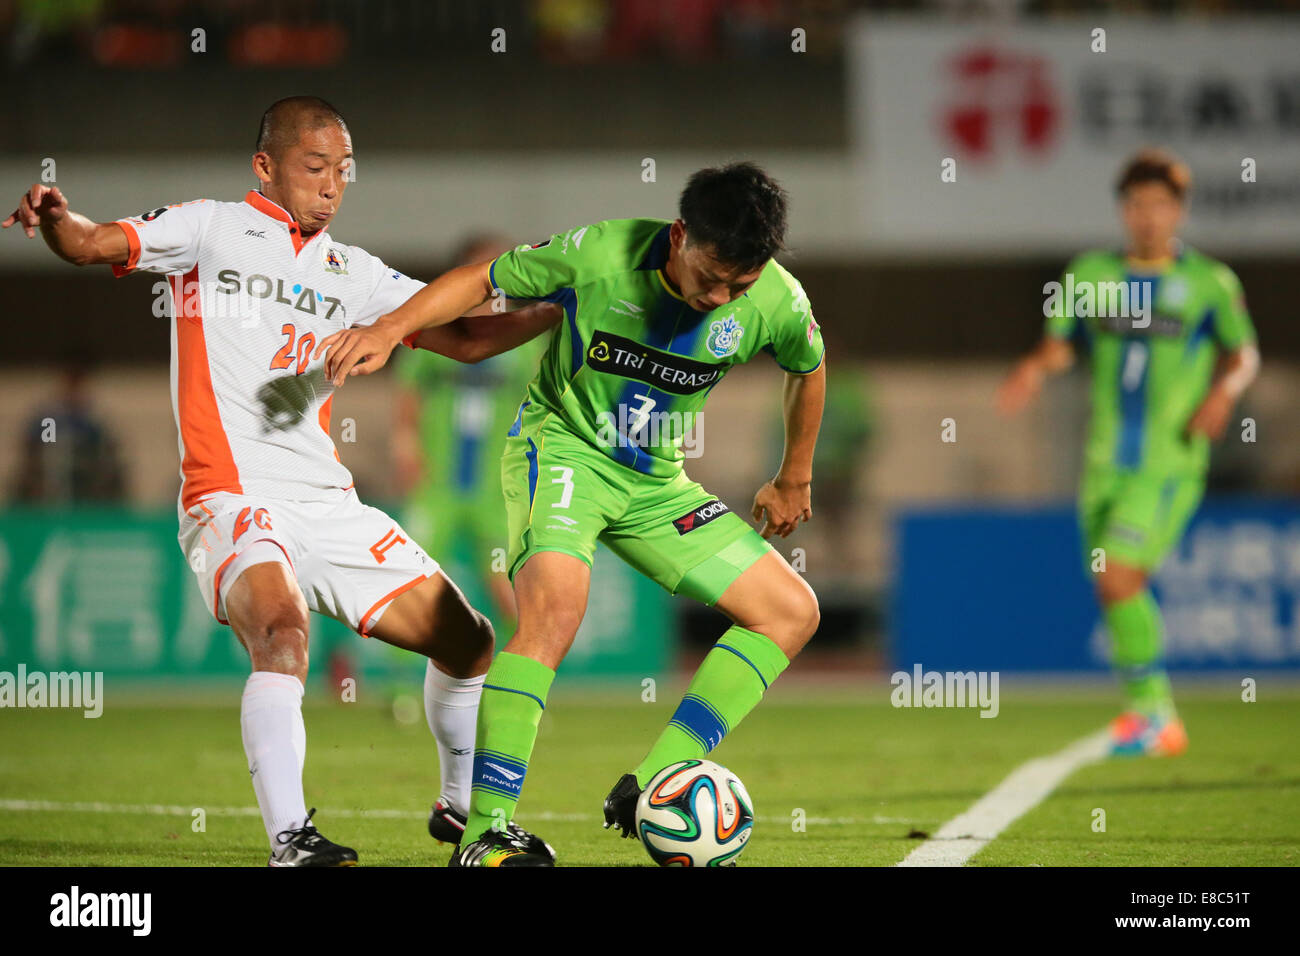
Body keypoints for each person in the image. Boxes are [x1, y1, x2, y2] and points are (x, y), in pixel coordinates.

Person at [3, 96, 560, 866]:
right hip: (230, 495)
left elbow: (467, 339)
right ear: (265, 165)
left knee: (467, 642)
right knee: (284, 637)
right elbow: (92, 242)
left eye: (343, 171)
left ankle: (460, 809)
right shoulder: (208, 229)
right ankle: (291, 840)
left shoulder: (353, 271)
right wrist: (56, 215)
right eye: (314, 166)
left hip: (326, 503)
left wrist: (561, 308)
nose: (332, 185)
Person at [319, 161, 826, 866]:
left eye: (737, 285)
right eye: (710, 275)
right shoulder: (599, 255)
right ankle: (484, 831)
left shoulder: (773, 298)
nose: (719, 297)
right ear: (679, 235)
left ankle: (652, 785)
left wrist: (794, 473)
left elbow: (808, 364)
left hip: (657, 484)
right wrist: (393, 327)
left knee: (791, 611)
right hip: (563, 455)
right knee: (554, 615)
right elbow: (481, 280)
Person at [997, 148, 1260, 757]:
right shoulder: (1090, 274)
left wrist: (1222, 394)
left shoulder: (1208, 284)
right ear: (1124, 209)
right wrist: (1036, 368)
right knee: (1111, 582)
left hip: (1167, 461)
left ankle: (1154, 715)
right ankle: (1149, 713)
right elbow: (1062, 345)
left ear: (1179, 211)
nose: (1149, 217)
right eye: (1138, 204)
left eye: (1161, 205)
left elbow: (1242, 353)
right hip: (1103, 462)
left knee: (1118, 576)